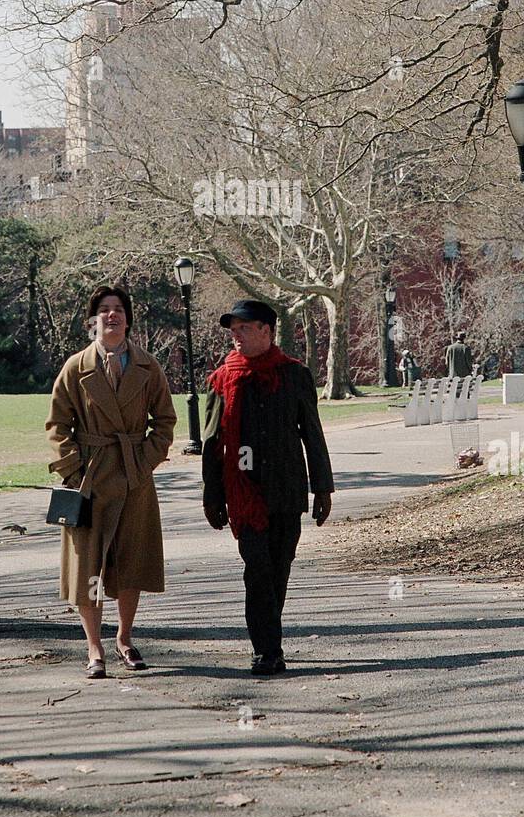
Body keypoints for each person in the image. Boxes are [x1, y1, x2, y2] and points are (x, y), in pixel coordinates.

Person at [46, 284, 176, 679]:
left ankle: (124, 638)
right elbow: (57, 424)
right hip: (89, 480)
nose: (112, 315)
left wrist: (144, 461)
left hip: (133, 478)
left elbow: (165, 422)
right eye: (104, 309)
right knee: (88, 568)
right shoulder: (75, 367)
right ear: (93, 319)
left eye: (118, 309)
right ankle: (93, 647)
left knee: (131, 561)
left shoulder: (148, 367)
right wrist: (71, 468)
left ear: (128, 318)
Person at [202, 300, 334, 676]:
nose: (236, 335)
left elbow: (312, 433)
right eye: (233, 329)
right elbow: (213, 442)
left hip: (288, 490)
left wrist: (322, 489)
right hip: (244, 492)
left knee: (279, 567)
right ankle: (267, 649)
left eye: (244, 328)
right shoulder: (222, 379)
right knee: (257, 568)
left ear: (266, 331)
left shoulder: (294, 375)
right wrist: (212, 495)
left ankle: (268, 634)